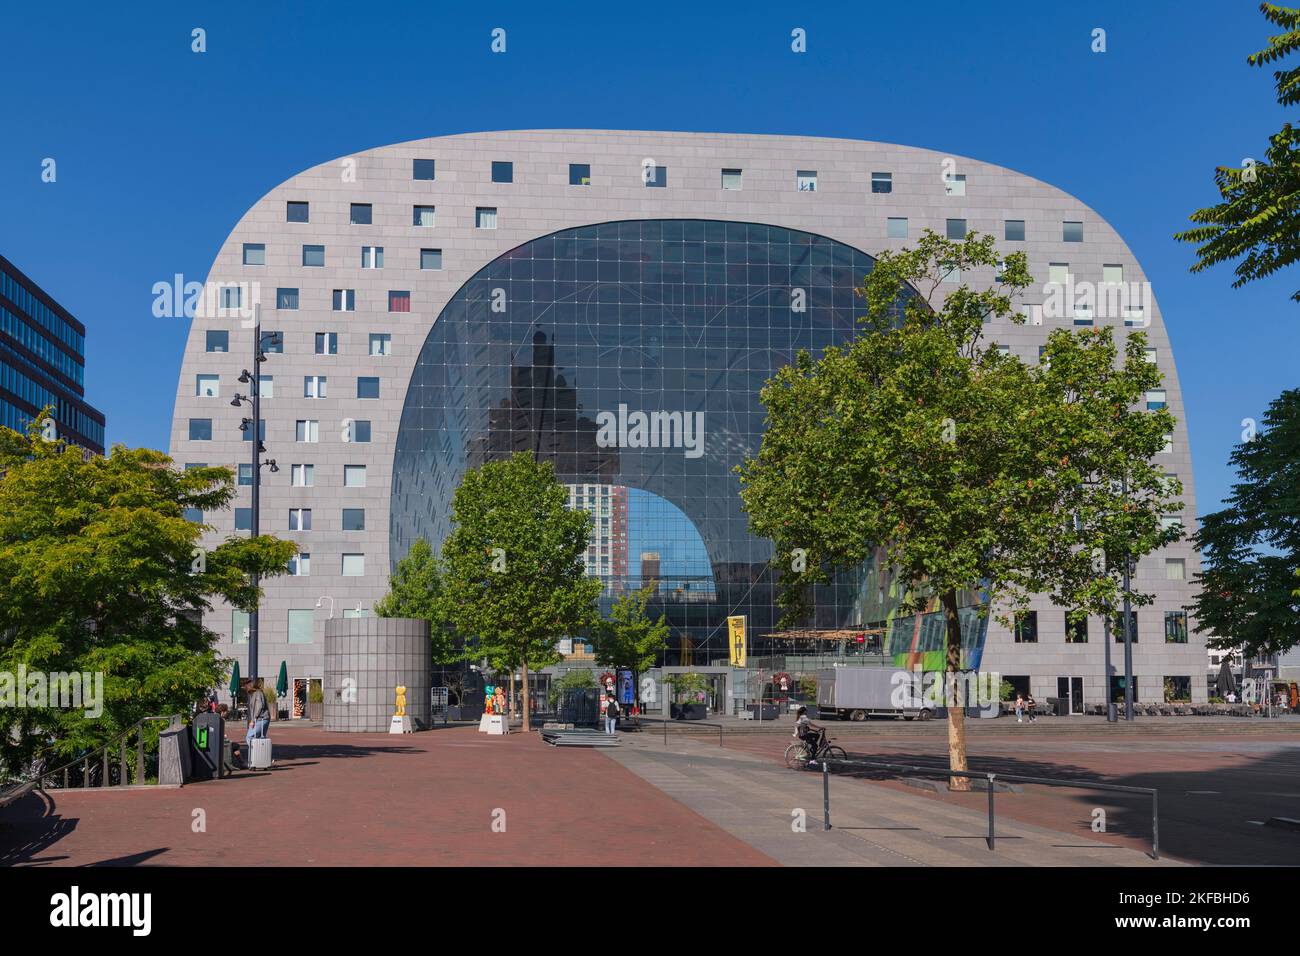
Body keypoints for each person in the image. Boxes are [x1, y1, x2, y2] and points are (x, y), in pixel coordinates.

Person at [245, 678, 270, 757]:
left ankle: (257, 754)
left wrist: (253, 720)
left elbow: (259, 707)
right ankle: (261, 758)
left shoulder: (257, 693)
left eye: (246, 687)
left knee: (249, 737)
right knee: (260, 739)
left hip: (260, 719)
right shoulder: (257, 693)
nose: (246, 689)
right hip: (263, 718)